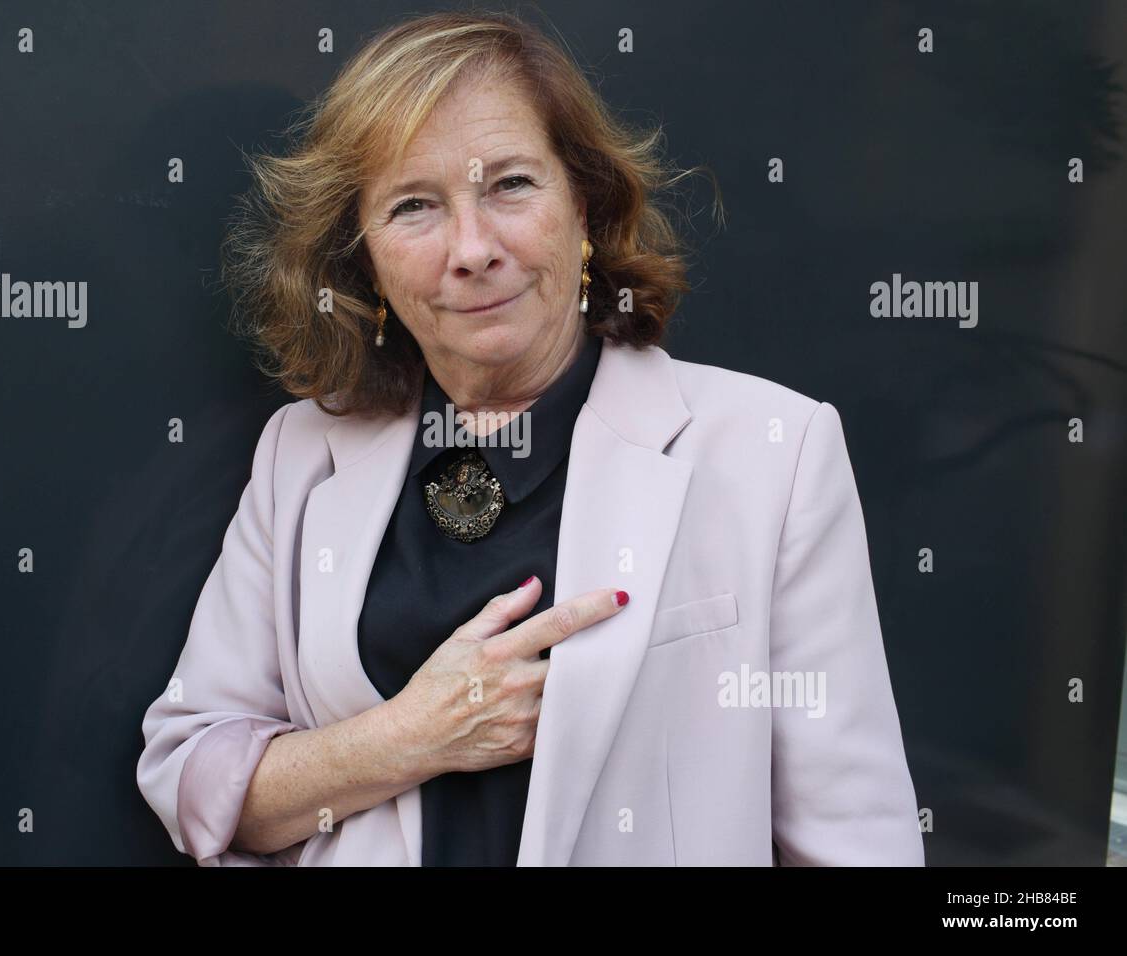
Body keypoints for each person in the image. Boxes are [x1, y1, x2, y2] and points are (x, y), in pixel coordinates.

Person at [136, 10, 924, 866]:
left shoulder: (774, 451)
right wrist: (414, 735)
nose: (472, 249)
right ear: (363, 259)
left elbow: (857, 843)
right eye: (413, 205)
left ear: (584, 205)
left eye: (511, 184)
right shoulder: (301, 453)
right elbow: (192, 777)